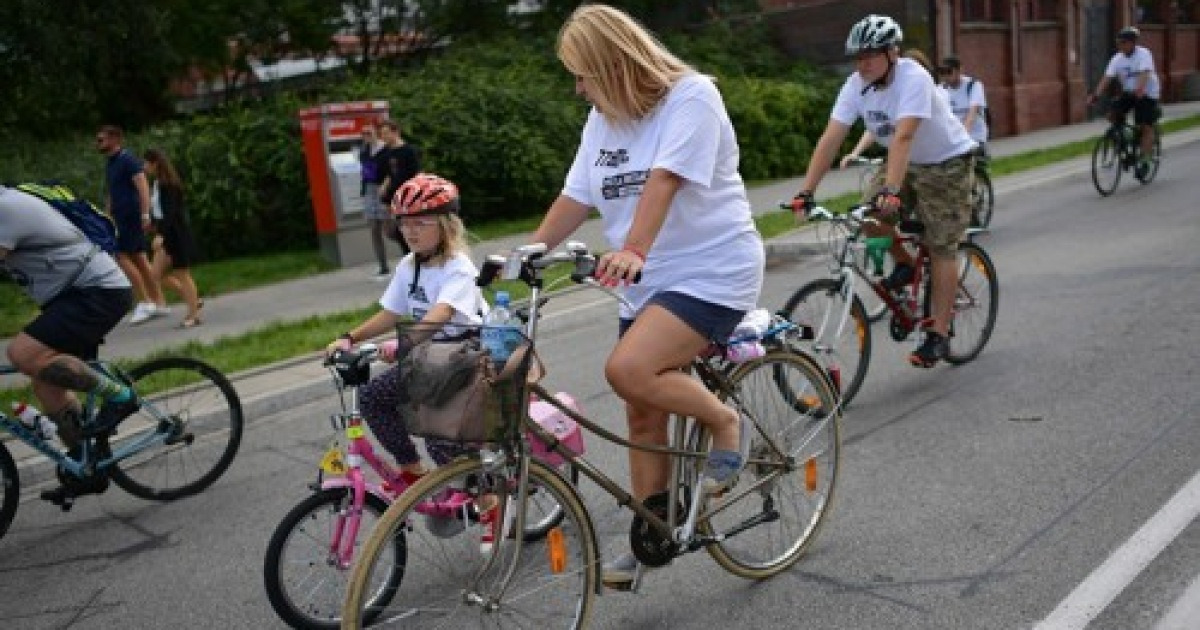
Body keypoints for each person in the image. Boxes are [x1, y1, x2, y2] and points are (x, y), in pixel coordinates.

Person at [530, 4, 765, 587]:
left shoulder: (692, 96)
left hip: (711, 270)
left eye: (583, 74)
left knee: (628, 368)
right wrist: (526, 254)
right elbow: (575, 198)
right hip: (645, 283)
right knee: (641, 411)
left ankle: (722, 419)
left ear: (612, 65)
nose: (578, 88)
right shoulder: (602, 120)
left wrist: (633, 248)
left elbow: (663, 180)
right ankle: (651, 530)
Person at [793, 14, 977, 368]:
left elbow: (904, 136)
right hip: (903, 160)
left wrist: (892, 189)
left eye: (869, 56)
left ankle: (938, 333)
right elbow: (831, 138)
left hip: (946, 162)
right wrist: (806, 191)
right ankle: (906, 265)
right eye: (857, 57)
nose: (862, 64)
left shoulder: (914, 78)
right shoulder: (855, 86)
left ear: (892, 53)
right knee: (867, 216)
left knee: (941, 245)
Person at [325, 173, 487, 505]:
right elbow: (389, 313)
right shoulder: (408, 265)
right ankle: (416, 475)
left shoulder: (458, 267)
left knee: (439, 436)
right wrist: (348, 338)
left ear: (445, 225)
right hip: (431, 357)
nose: (410, 232)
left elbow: (440, 314)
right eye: (404, 224)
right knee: (372, 398)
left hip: (466, 354)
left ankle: (490, 506)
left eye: (420, 223)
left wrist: (403, 345)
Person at [1, 184, 142, 502]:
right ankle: (87, 465)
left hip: (96, 291)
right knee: (46, 384)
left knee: (22, 354)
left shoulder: (4, 209)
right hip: (72, 295)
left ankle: (119, 396)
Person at [96, 125, 167, 325]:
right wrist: (107, 215)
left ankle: (145, 301)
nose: (98, 143)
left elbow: (142, 185)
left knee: (121, 256)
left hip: (130, 217)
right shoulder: (111, 163)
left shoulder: (127, 160)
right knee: (140, 260)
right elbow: (113, 191)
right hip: (119, 217)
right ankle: (158, 302)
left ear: (115, 140)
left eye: (101, 140)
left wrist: (145, 214)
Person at [840, 49, 943, 169]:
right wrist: (855, 153)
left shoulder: (937, 93)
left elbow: (904, 136)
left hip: (936, 158)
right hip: (908, 157)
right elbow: (877, 127)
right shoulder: (894, 95)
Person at [144, 148, 204, 328]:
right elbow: (160, 211)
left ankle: (193, 315)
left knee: (182, 273)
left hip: (175, 234)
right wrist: (152, 224)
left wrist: (160, 235)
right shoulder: (156, 184)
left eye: (146, 163)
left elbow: (170, 213)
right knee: (155, 275)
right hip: (166, 233)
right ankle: (193, 300)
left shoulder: (167, 184)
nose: (144, 167)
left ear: (155, 163)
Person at [1087, 26, 1161, 172]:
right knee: (1112, 115)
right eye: (1119, 43)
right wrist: (1096, 95)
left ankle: (1145, 160)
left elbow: (1144, 73)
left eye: (1123, 43)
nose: (1120, 46)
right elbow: (1107, 78)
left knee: (1144, 126)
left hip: (1147, 93)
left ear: (1133, 43)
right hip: (1129, 92)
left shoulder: (1143, 54)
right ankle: (1126, 138)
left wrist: (1140, 89)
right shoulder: (1117, 59)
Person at [376, 120, 420, 257]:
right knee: (395, 232)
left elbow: (415, 175)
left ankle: (416, 257)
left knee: (407, 231)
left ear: (396, 132)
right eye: (381, 134)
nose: (383, 137)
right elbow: (388, 174)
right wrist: (384, 189)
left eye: (386, 133)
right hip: (392, 199)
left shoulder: (409, 151)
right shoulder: (386, 153)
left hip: (407, 198)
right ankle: (410, 258)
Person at [357, 123, 393, 280]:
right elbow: (364, 170)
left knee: (389, 229)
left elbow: (391, 171)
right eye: (363, 134)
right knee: (374, 228)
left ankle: (411, 255)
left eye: (369, 133)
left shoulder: (385, 150)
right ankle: (383, 265)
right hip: (369, 190)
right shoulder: (364, 151)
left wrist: (386, 186)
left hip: (382, 189)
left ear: (375, 133)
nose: (366, 136)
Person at [939, 55, 989, 154]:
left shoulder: (973, 86)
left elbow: (971, 115)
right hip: (954, 142)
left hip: (975, 138)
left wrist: (962, 137)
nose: (945, 76)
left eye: (949, 72)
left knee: (977, 168)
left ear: (959, 70)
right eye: (942, 72)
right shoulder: (941, 89)